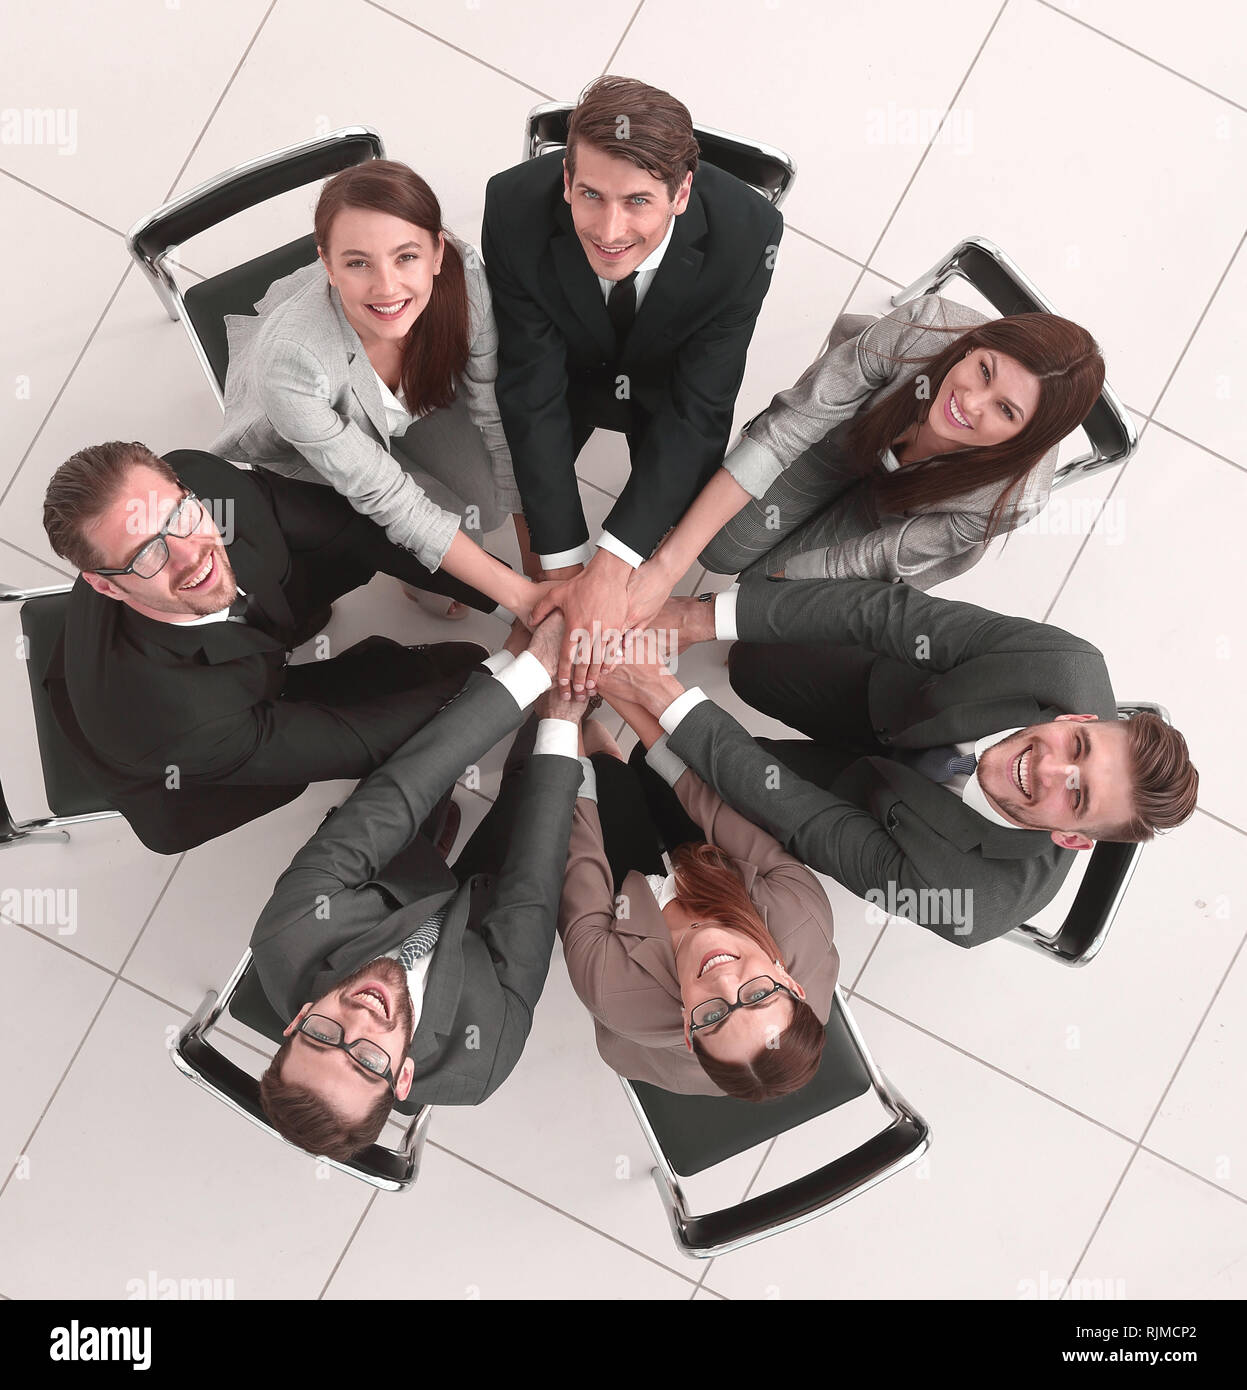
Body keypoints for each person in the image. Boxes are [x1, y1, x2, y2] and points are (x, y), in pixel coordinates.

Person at [592, 579, 1199, 946]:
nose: (1047, 770)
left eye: (1077, 795)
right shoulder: (1064, 666)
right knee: (755, 662)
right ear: (1078, 719)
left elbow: (811, 822)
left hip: (862, 810)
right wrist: (697, 618)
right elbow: (890, 616)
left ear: (1071, 839)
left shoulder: (971, 903)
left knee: (672, 772)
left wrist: (665, 701)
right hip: (895, 696)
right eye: (1078, 749)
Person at [483, 74, 783, 690]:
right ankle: (557, 616)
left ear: (681, 193)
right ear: (565, 178)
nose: (610, 230)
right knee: (504, 470)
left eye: (638, 202)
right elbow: (531, 390)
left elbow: (699, 410)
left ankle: (586, 637)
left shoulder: (748, 235)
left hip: (665, 384)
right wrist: (568, 575)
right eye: (590, 195)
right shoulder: (512, 206)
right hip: (564, 368)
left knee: (677, 504)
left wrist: (612, 566)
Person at [39, 443, 488, 853]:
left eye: (178, 516)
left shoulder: (203, 481)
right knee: (404, 727)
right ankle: (401, 848)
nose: (190, 555)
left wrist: (509, 598)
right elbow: (360, 741)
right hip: (174, 771)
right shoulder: (179, 720)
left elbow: (357, 529)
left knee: (317, 567)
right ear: (105, 586)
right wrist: (500, 682)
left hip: (180, 677)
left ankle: (268, 640)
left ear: (182, 487)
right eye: (145, 555)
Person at [254, 614, 589, 1160]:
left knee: (419, 767)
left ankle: (506, 662)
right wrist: (562, 714)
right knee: (538, 790)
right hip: (485, 917)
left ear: (296, 1022)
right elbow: (532, 893)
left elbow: (401, 790)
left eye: (322, 1035)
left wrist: (533, 666)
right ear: (404, 1076)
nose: (358, 1020)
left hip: (390, 867)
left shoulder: (288, 933)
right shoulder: (482, 1057)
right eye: (368, 1062)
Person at [621, 296, 1106, 631]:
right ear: (972, 346)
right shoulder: (923, 329)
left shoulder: (1014, 497)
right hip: (844, 439)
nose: (971, 403)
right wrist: (664, 569)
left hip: (896, 514)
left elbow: (879, 556)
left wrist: (711, 616)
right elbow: (784, 433)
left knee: (764, 586)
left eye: (1005, 410)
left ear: (1025, 440)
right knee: (720, 550)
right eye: (983, 370)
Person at [212, 159, 548, 622]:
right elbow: (388, 497)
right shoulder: (291, 362)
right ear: (327, 265)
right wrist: (525, 602)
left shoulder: (466, 277)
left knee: (487, 506)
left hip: (418, 402)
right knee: (457, 534)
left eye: (406, 256)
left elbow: (498, 415)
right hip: (322, 436)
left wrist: (541, 566)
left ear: (437, 252)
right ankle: (409, 578)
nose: (387, 287)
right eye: (358, 263)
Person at [558, 708, 834, 1099]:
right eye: (758, 996)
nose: (724, 981)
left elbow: (577, 847)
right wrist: (624, 696)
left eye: (714, 1016)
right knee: (657, 762)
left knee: (607, 783)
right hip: (726, 885)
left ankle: (609, 762)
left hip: (633, 928)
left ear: (688, 1028)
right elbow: (716, 809)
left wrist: (565, 713)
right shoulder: (799, 911)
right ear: (789, 982)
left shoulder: (613, 988)